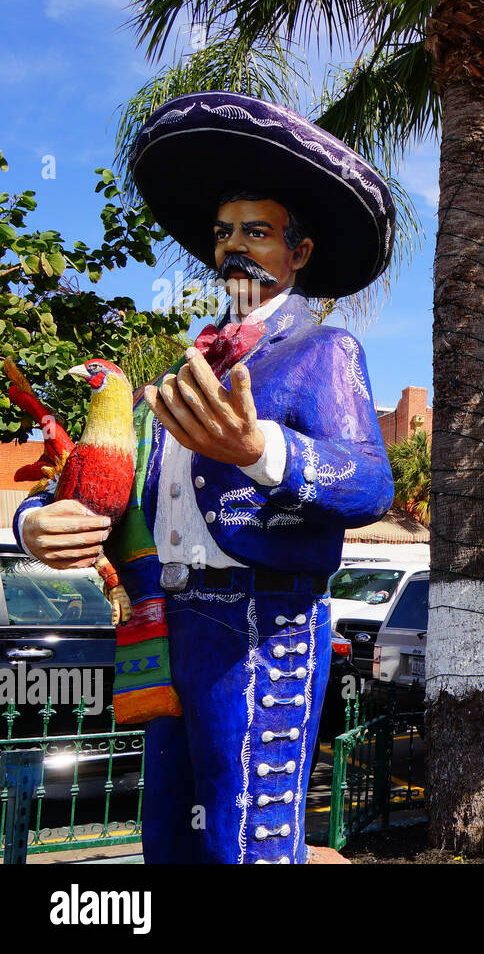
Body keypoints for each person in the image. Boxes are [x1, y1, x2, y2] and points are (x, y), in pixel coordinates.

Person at [14, 91, 396, 864]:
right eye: (224, 233)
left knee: (240, 832)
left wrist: (263, 449)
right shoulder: (182, 374)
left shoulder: (323, 354)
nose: (235, 249)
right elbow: (103, 482)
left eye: (257, 232)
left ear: (302, 251)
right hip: (169, 620)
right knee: (167, 832)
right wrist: (34, 523)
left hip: (261, 624)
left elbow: (368, 484)